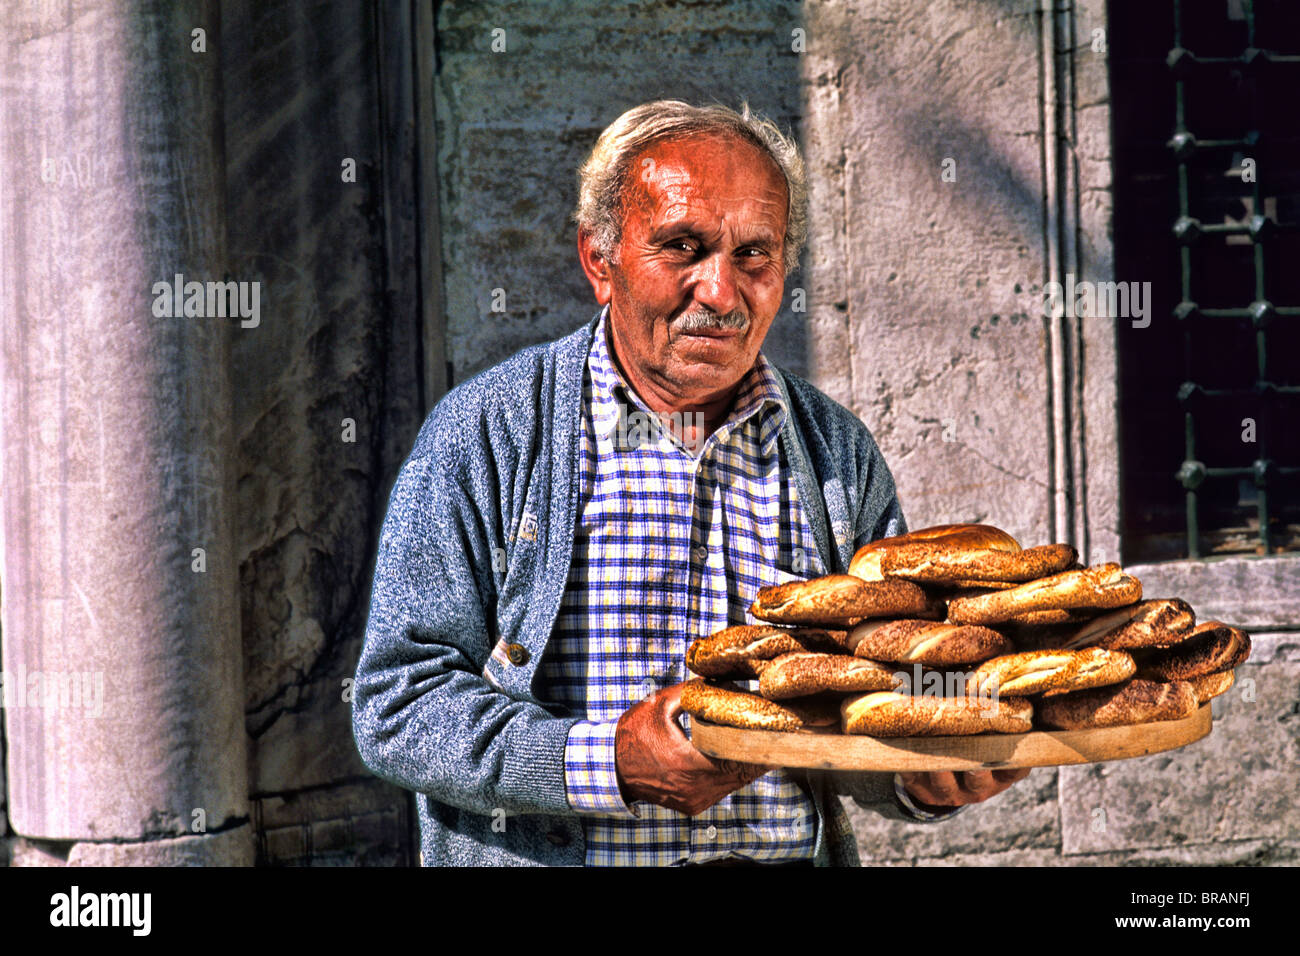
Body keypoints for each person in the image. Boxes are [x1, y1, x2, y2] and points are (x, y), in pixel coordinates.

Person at [351, 100, 1029, 867]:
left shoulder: (835, 453)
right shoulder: (485, 434)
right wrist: (605, 762)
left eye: (754, 256)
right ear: (598, 260)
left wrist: (925, 776)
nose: (720, 292)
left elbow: (859, 713)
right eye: (683, 246)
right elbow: (397, 708)